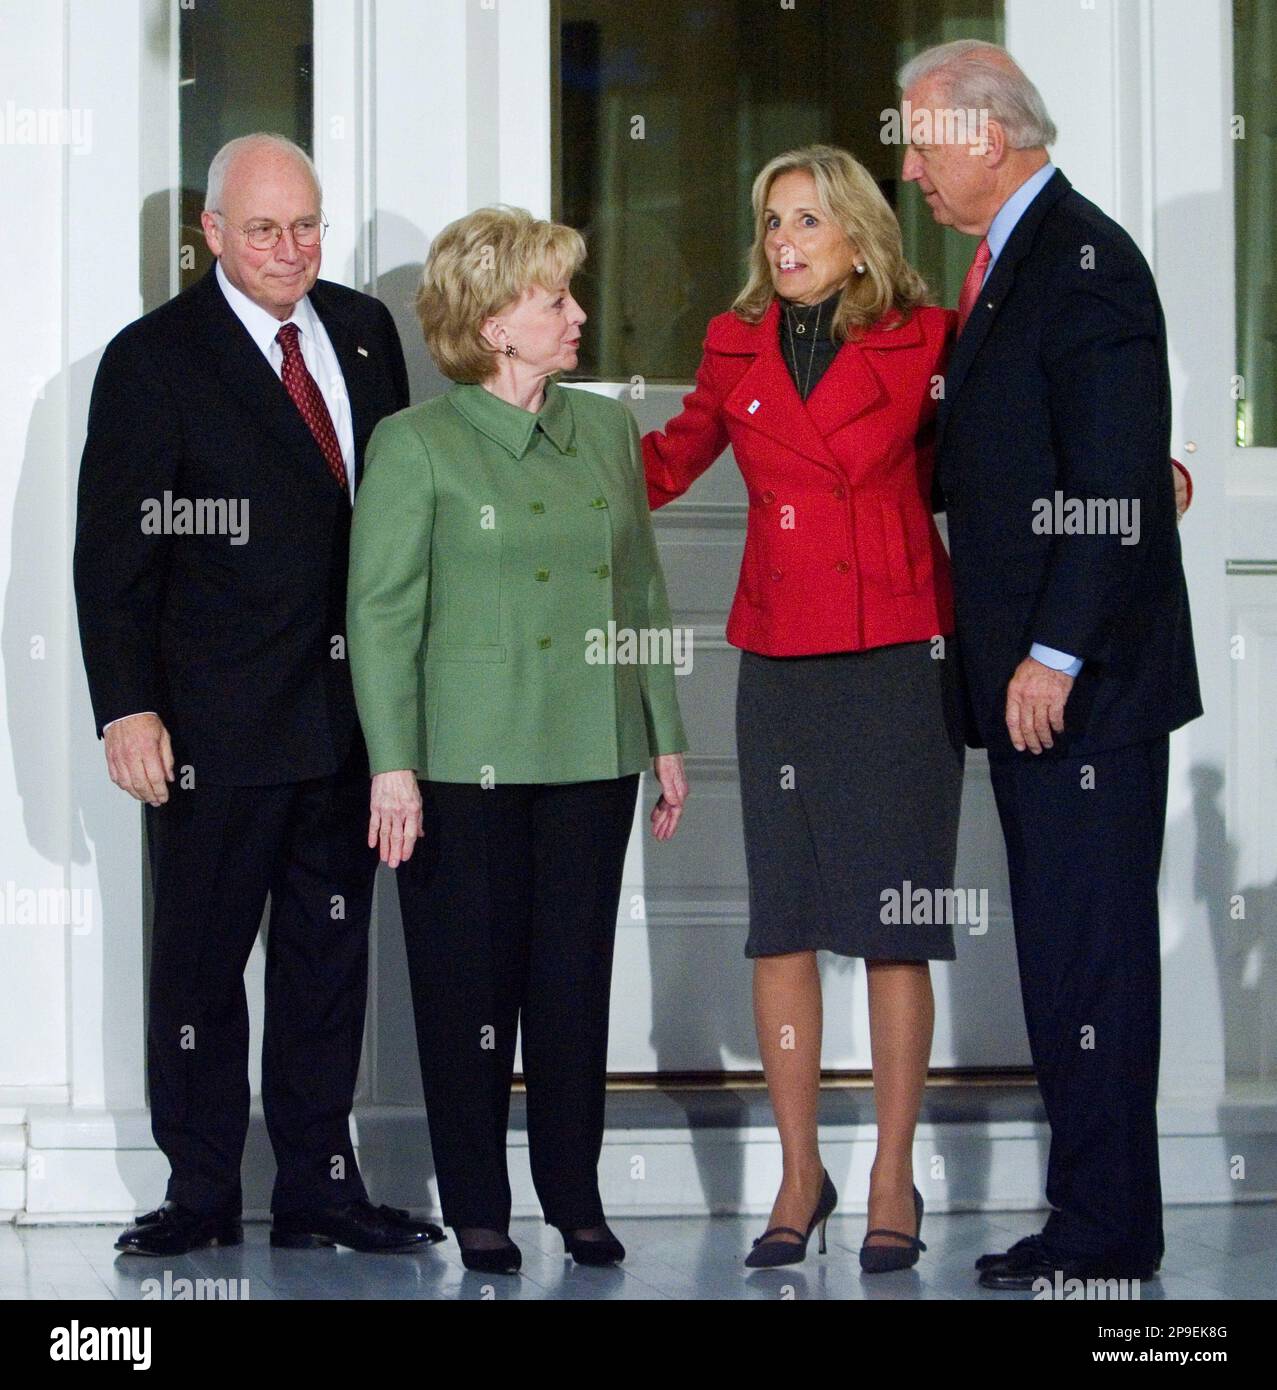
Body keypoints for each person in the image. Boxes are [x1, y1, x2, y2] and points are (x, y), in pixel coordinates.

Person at [74, 132, 440, 1256]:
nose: (292, 249)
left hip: (348, 718)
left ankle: (320, 1191)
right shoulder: (153, 358)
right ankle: (199, 1193)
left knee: (327, 965)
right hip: (211, 729)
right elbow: (113, 552)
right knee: (199, 966)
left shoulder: (368, 333)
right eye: (267, 228)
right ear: (214, 234)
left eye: (308, 224)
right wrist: (125, 705)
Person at [899, 40, 1202, 1289]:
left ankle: (1104, 1229)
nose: (908, 164)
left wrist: (1052, 652)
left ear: (989, 135)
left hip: (1081, 690)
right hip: (1041, 686)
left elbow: (1117, 485)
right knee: (1066, 954)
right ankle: (1093, 1214)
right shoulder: (1003, 265)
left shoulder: (1081, 258)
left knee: (1090, 961)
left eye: (921, 137)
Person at [346, 206, 689, 1275]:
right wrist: (391, 764)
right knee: (466, 995)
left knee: (572, 986)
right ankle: (479, 1203)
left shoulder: (607, 431)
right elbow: (381, 612)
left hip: (591, 752)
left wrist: (664, 734)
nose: (577, 315)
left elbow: (639, 584)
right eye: (555, 300)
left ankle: (573, 1196)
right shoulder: (414, 445)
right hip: (461, 766)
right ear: (495, 323)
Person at [643, 145, 964, 1271]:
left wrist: (1135, 474)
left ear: (860, 237)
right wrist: (522, 461)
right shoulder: (733, 343)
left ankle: (889, 1175)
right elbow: (667, 461)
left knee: (891, 922)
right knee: (778, 918)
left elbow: (985, 462)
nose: (781, 241)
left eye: (806, 222)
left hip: (892, 657)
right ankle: (797, 1171)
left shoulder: (923, 341)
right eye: (770, 220)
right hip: (778, 655)